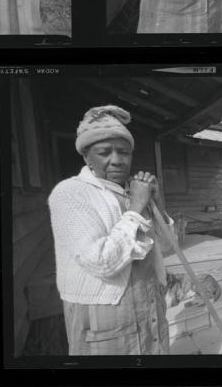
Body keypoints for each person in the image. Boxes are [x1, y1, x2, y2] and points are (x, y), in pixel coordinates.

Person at [48, 105, 172, 356]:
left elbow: (169, 248)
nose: (116, 160)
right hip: (106, 315)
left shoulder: (134, 190)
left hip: (150, 305)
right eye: (104, 152)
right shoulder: (70, 193)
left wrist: (156, 203)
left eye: (124, 152)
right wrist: (137, 206)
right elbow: (101, 262)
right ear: (86, 156)